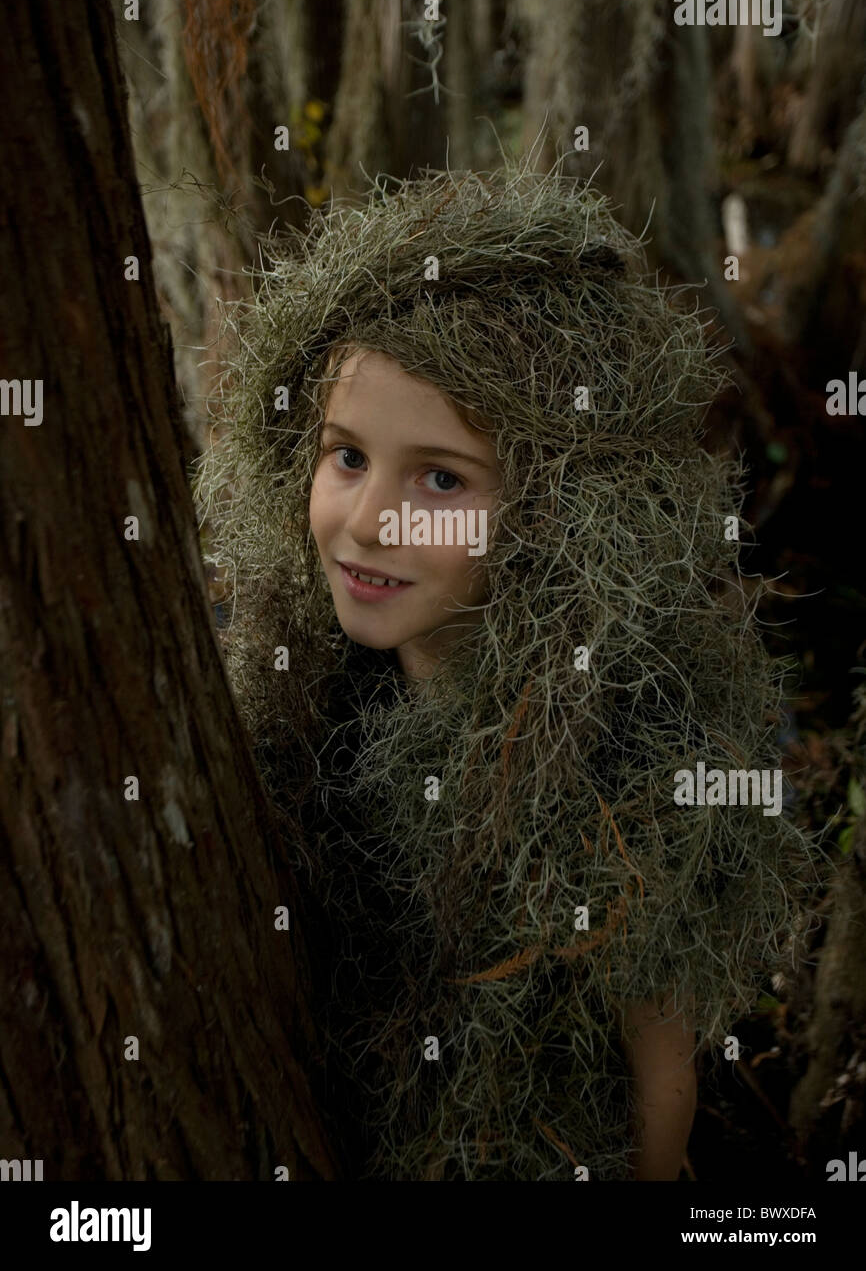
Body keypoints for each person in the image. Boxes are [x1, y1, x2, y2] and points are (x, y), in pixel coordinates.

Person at [196, 154, 821, 1180]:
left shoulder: (624, 745)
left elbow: (660, 1074)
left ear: (556, 508)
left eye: (439, 477)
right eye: (345, 455)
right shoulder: (311, 692)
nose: (364, 521)